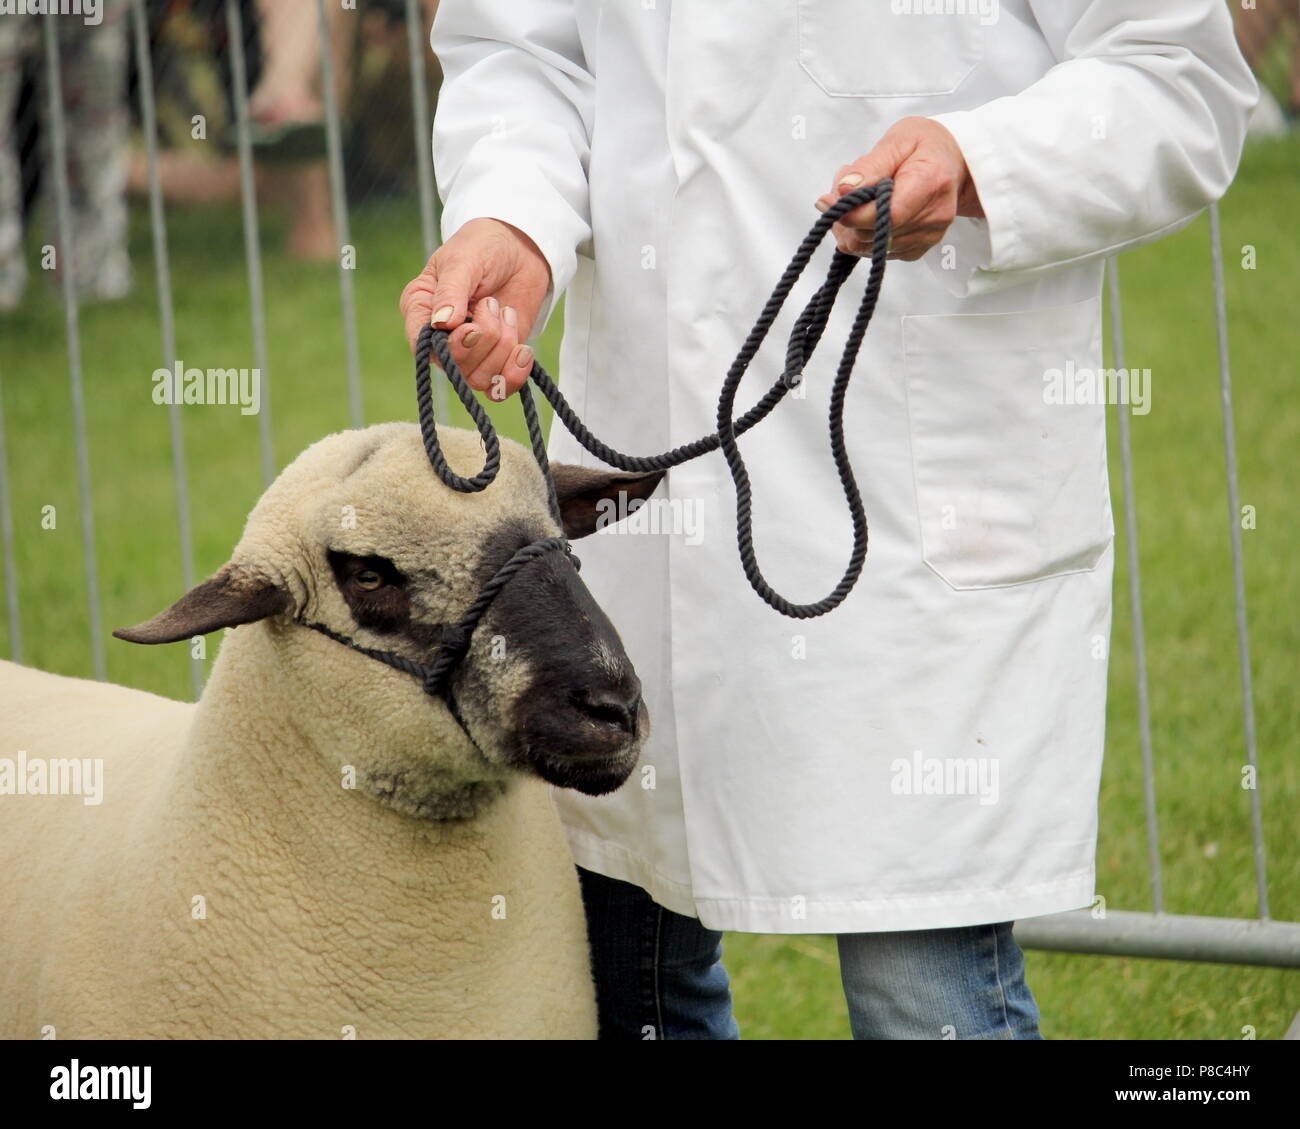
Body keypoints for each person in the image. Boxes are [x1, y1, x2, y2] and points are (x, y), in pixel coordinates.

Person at [401, 1, 1256, 1040]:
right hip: (643, 466)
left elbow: (1173, 73)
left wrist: (976, 158)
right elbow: (525, 50)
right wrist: (512, 219)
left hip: (912, 496)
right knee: (625, 976)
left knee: (921, 989)